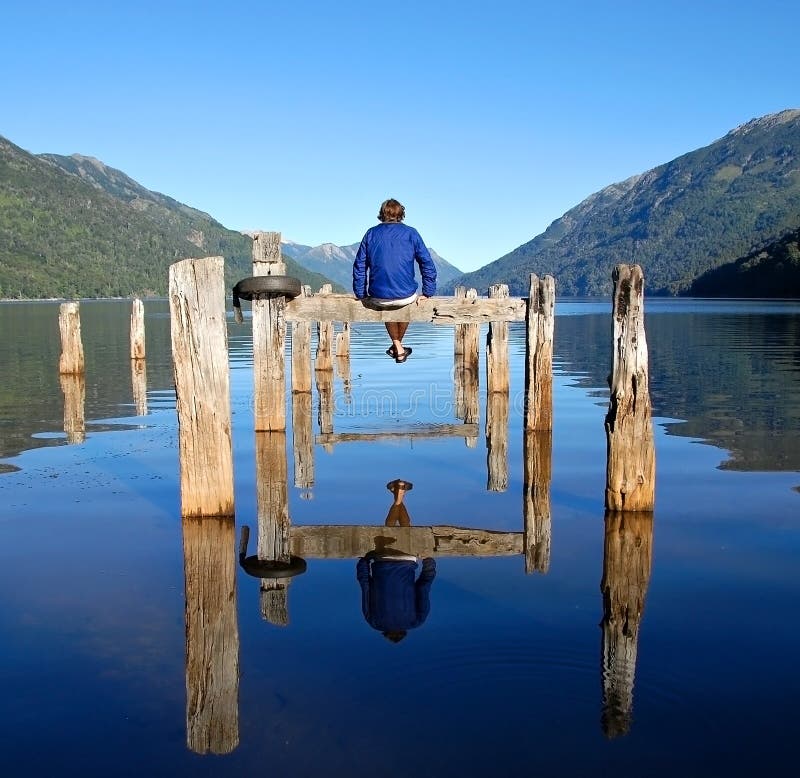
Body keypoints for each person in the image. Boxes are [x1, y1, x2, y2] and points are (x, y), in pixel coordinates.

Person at [352, 198, 437, 363]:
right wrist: (428, 292)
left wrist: (361, 293)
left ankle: (397, 347)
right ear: (401, 214)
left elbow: (360, 265)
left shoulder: (371, 233)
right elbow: (427, 263)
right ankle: (398, 348)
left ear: (382, 214)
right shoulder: (411, 233)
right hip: (406, 296)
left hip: (378, 297)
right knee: (408, 302)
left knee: (388, 304)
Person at [355, 478, 436, 642]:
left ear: (403, 632)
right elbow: (365, 586)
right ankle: (398, 495)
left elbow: (423, 588)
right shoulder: (374, 622)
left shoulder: (416, 621)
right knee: (390, 529)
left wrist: (429, 562)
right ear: (386, 632)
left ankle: (399, 494)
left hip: (407, 561)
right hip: (382, 562)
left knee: (405, 529)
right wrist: (364, 561)